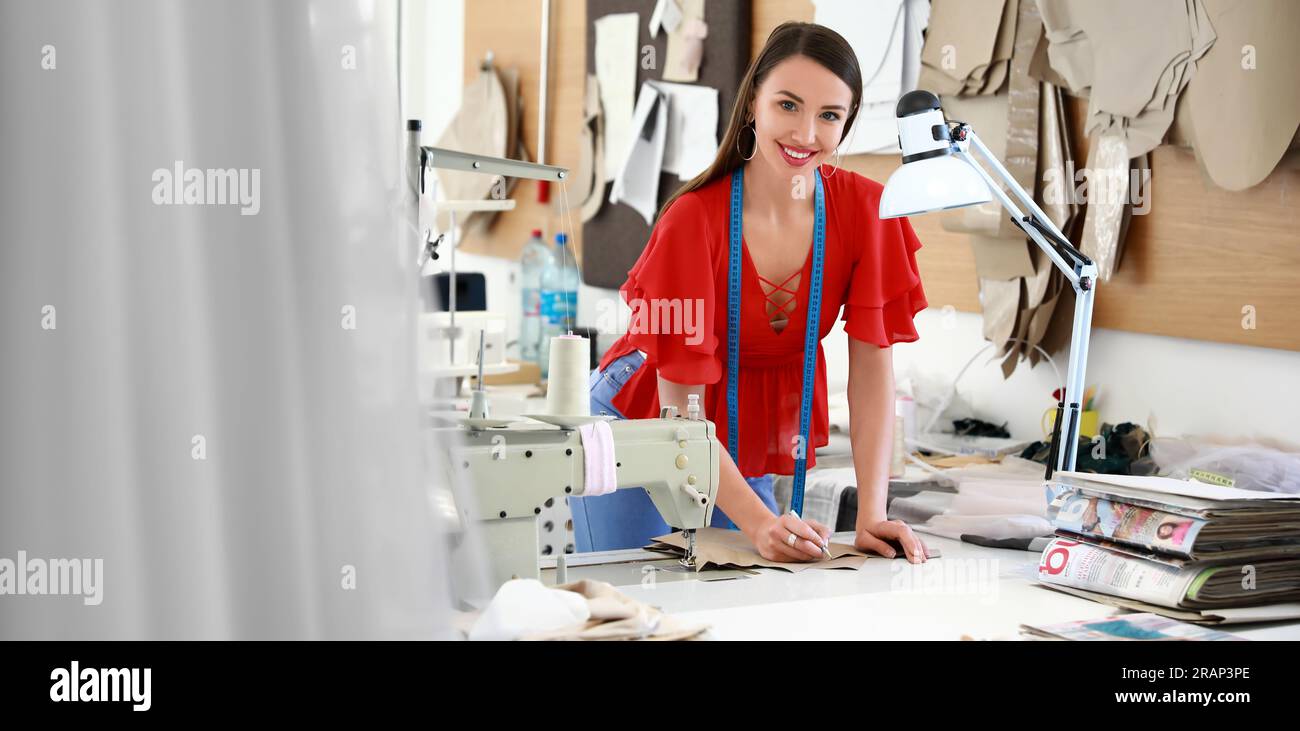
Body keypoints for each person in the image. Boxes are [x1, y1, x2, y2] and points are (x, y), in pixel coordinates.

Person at [572, 22, 930, 564]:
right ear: (752, 105)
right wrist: (760, 522)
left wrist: (872, 513)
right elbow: (682, 413)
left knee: (743, 599)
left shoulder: (867, 213)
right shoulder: (693, 222)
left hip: (738, 427)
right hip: (647, 419)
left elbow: (871, 372)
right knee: (635, 598)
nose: (806, 133)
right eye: (788, 105)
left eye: (829, 115)